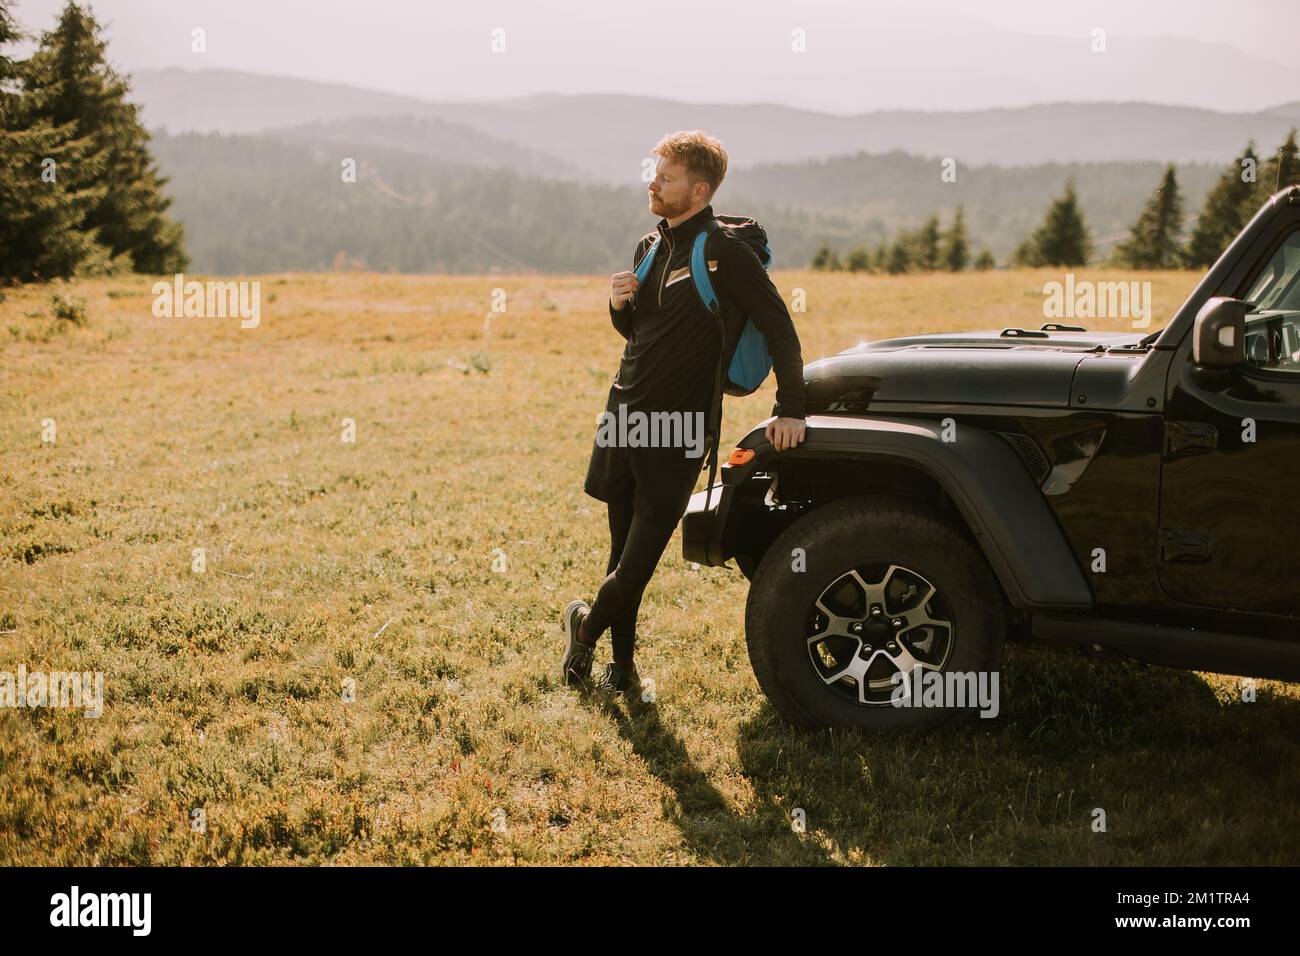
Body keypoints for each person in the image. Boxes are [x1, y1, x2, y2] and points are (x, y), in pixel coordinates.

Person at [561, 129, 808, 694]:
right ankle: (620, 669)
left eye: (666, 177)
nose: (654, 181)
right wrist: (618, 305)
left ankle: (584, 626)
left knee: (639, 560)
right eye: (655, 171)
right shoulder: (649, 248)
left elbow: (780, 329)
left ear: (698, 190)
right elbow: (639, 333)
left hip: (679, 429)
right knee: (621, 551)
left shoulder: (726, 253)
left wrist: (791, 408)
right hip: (623, 416)